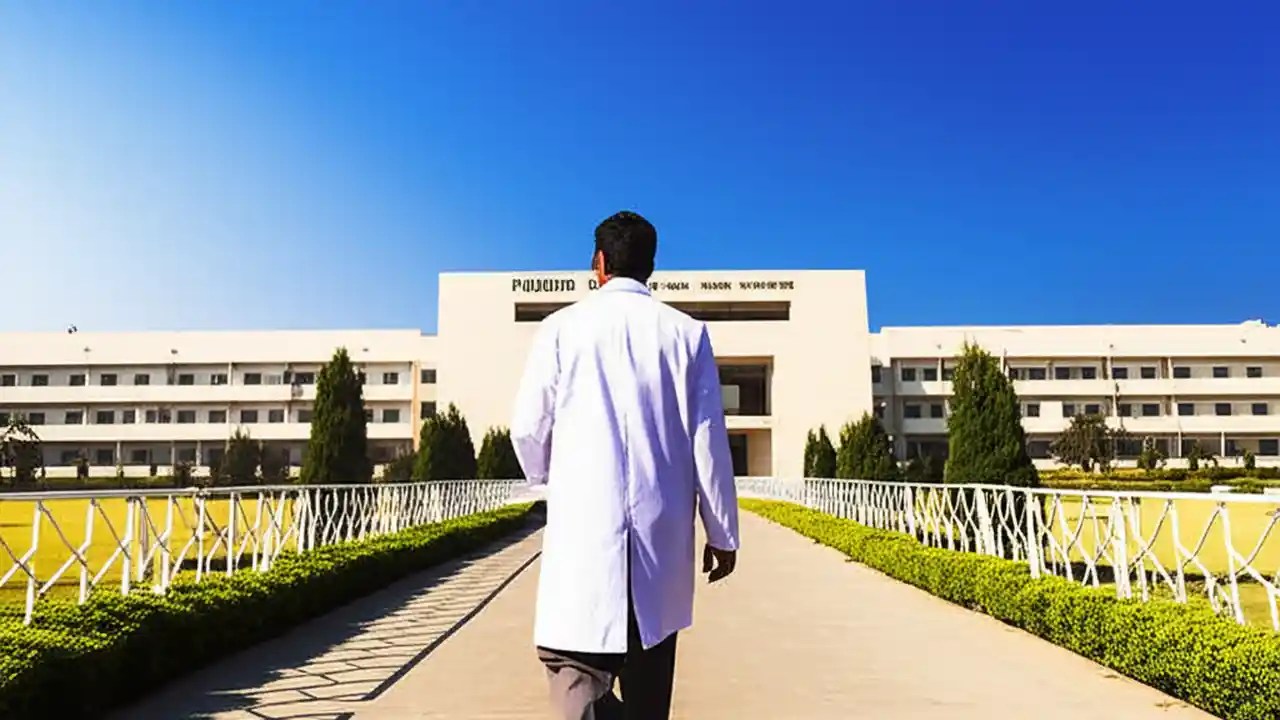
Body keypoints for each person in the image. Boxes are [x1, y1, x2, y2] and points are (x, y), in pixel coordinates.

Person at [510, 210, 740, 720]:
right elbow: (709, 443)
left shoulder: (559, 329)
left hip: (584, 540)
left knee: (573, 672)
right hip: (660, 548)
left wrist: (549, 478)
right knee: (648, 689)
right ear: (651, 267)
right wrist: (722, 534)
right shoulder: (687, 334)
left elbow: (527, 429)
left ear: (599, 263)